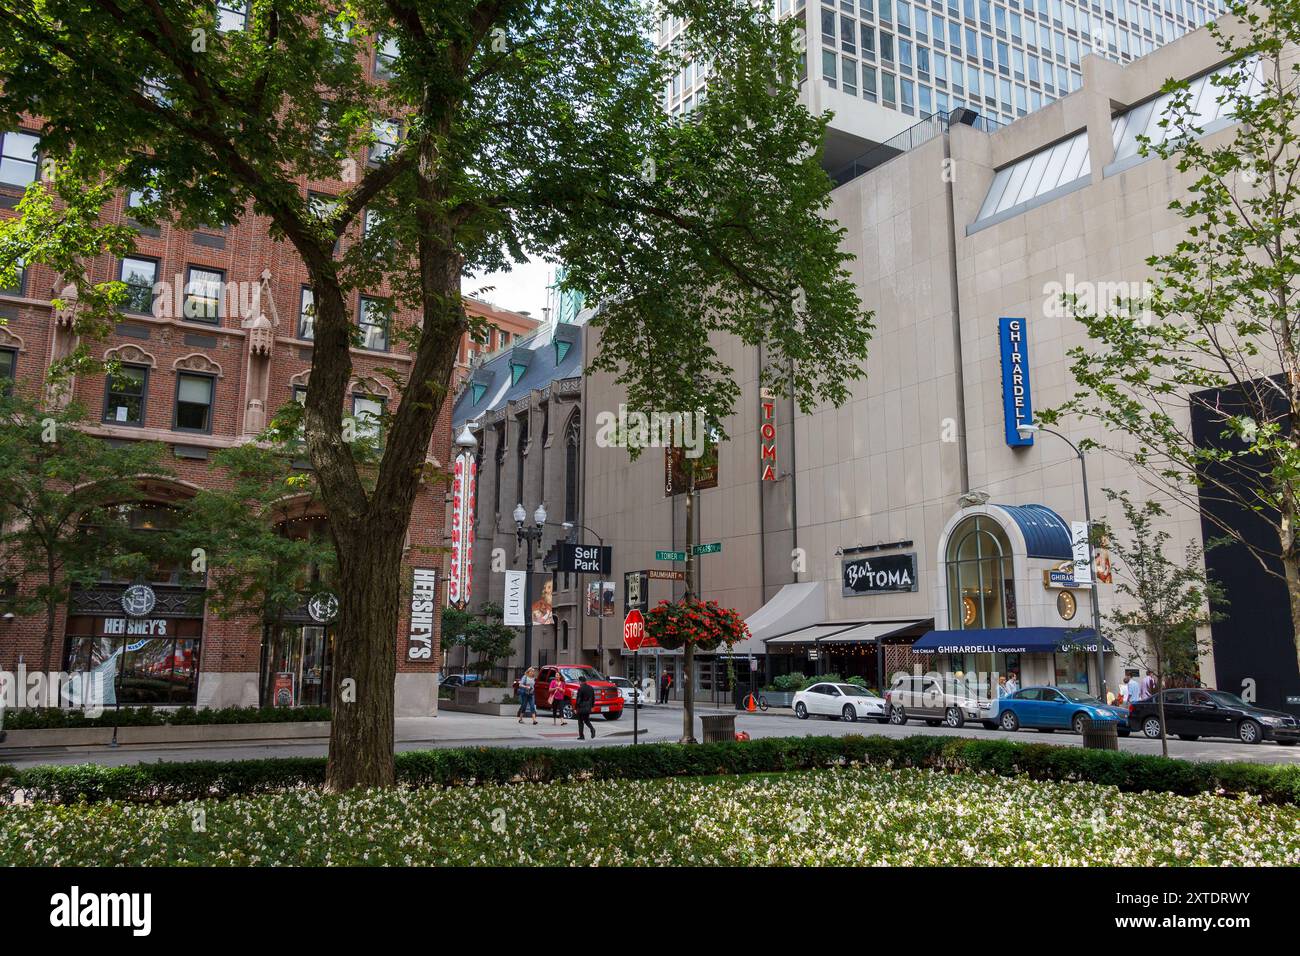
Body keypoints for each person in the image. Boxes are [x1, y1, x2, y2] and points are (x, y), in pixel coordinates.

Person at [575, 675, 597, 740]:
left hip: (581, 707)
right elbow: (593, 698)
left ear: (581, 681)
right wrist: (592, 706)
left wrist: (576, 708)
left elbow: (578, 699)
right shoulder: (591, 688)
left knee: (580, 721)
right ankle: (592, 729)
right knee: (586, 720)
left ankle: (581, 736)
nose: (579, 683)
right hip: (588, 707)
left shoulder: (580, 689)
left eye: (579, 681)